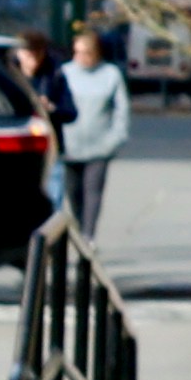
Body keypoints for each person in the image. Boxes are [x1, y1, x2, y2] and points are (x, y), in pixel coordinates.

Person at [59, 24, 133, 241]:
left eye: (86, 53)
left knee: (93, 193)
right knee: (74, 194)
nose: (81, 57)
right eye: (77, 52)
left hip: (100, 146)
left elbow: (122, 109)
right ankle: (81, 227)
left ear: (96, 53)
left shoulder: (110, 74)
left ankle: (88, 236)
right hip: (70, 145)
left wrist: (115, 138)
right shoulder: (65, 73)